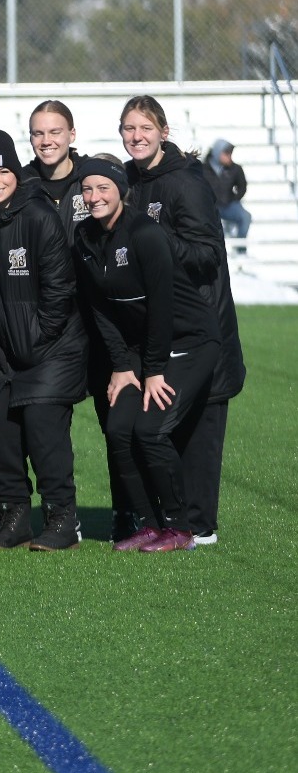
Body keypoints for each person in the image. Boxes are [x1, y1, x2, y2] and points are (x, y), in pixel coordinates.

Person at [73, 158, 218, 553]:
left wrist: (153, 370)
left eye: (103, 188)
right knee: (119, 429)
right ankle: (149, 525)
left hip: (189, 340)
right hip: (142, 349)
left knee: (150, 430)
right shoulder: (83, 237)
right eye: (87, 189)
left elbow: (162, 308)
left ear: (121, 190)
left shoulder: (145, 233)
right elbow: (100, 308)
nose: (94, 197)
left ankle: (180, 527)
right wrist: (122, 365)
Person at [122, 96, 245, 546]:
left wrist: (157, 243)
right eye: (129, 129)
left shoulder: (186, 183)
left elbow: (208, 254)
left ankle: (201, 528)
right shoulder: (130, 178)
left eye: (145, 128)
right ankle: (171, 523)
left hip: (203, 327)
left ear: (164, 132)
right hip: (163, 328)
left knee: (201, 432)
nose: (136, 136)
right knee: (160, 430)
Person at [0, 130, 86, 550]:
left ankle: (62, 519)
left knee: (42, 429)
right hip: (3, 350)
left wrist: (30, 344)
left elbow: (58, 293)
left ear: (15, 173)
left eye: (2, 171)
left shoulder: (39, 217)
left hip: (52, 348)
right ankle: (15, 517)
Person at [27, 100, 90, 226]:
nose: (46, 141)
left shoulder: (93, 175)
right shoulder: (22, 184)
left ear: (72, 135)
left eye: (55, 132)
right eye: (38, 134)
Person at [205, 139, 250, 247]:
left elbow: (242, 187)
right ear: (217, 153)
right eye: (226, 153)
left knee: (245, 217)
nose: (229, 157)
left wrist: (234, 199)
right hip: (208, 207)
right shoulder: (202, 169)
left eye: (230, 154)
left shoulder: (236, 169)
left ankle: (240, 247)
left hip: (228, 205)